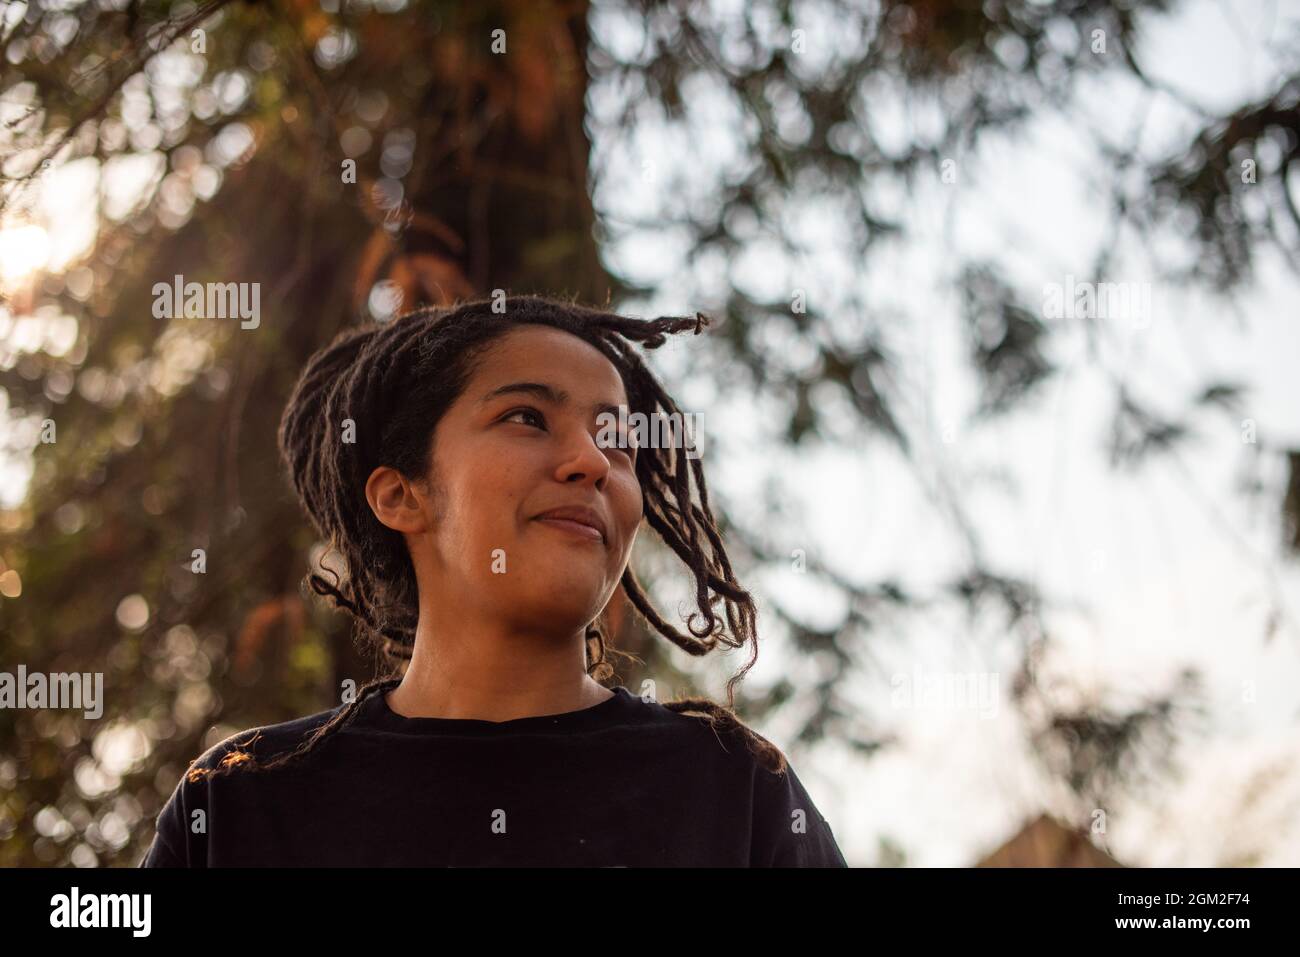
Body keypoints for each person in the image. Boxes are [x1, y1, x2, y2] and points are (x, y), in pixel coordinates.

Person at [140, 294, 847, 867]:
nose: (591, 461)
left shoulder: (734, 792)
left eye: (616, 439)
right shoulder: (241, 809)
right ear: (400, 496)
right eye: (526, 417)